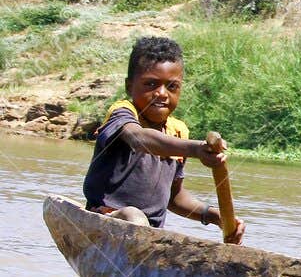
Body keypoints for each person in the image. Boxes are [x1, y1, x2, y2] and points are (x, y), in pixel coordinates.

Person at [83, 36, 246, 243]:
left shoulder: (178, 131)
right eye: (151, 84)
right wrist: (195, 150)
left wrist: (215, 216)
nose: (161, 94)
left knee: (148, 230)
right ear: (129, 86)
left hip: (150, 235)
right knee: (133, 216)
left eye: (172, 86)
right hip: (106, 218)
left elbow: (174, 197)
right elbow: (139, 138)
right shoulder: (123, 113)